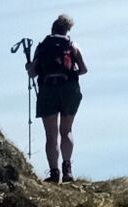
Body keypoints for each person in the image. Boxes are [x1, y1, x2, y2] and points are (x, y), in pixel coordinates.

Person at [26, 15, 87, 184]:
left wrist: (29, 67)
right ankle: (67, 169)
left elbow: (33, 72)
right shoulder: (72, 45)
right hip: (69, 90)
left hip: (48, 90)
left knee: (51, 135)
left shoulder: (43, 46)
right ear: (67, 30)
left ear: (52, 29)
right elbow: (83, 70)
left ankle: (54, 173)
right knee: (66, 130)